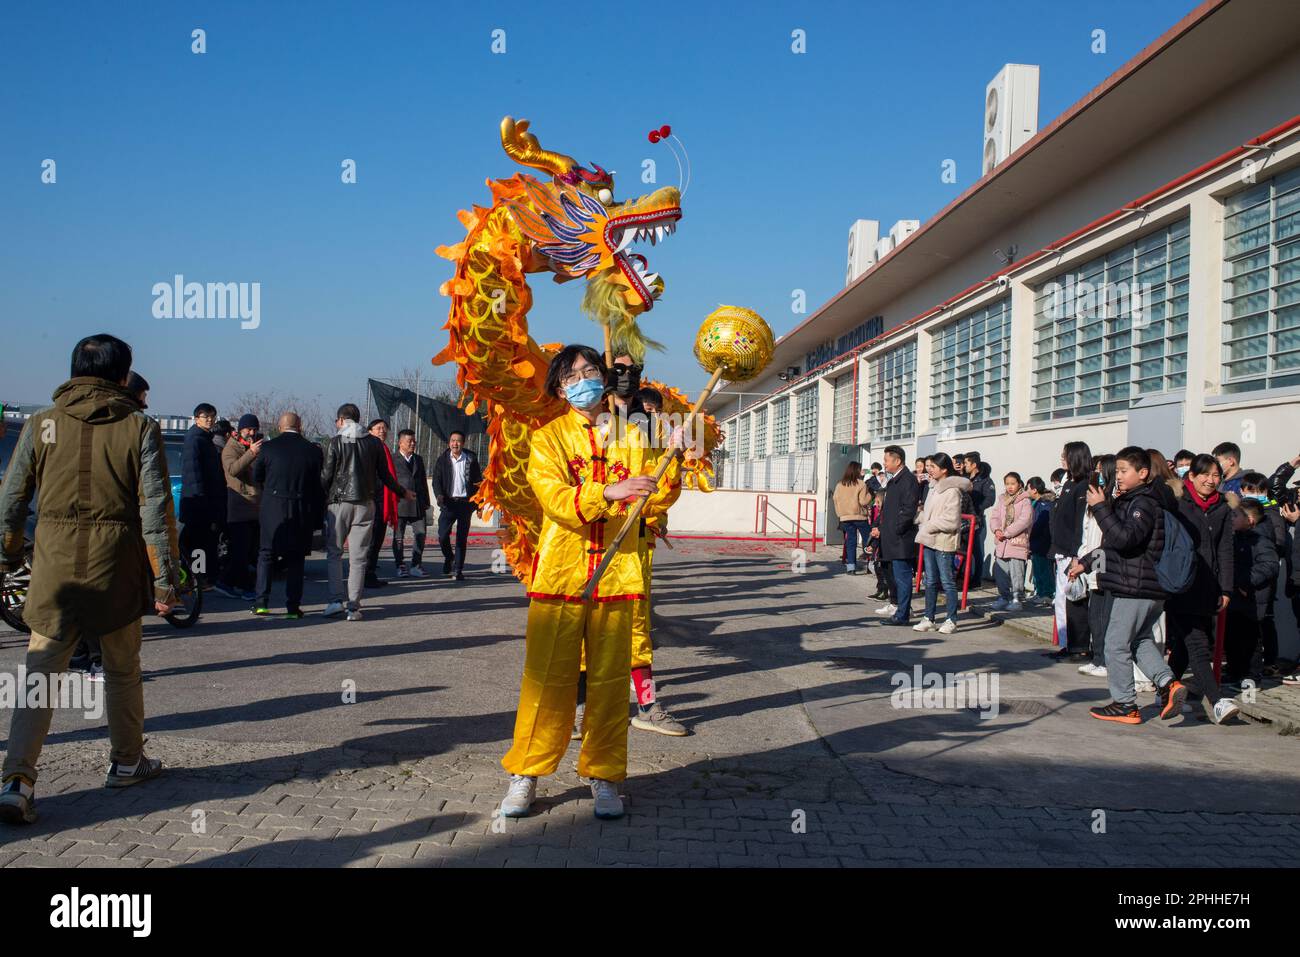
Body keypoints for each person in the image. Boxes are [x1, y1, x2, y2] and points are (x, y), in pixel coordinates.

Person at [0, 334, 180, 825]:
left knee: (40, 673)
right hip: (115, 568)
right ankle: (126, 761)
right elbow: (156, 510)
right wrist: (167, 577)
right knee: (122, 669)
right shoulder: (140, 426)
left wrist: (9, 555)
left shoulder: (41, 424)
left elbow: (11, 501)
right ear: (122, 376)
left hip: (54, 570)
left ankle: (17, 779)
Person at [499, 345, 681, 820]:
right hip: (561, 576)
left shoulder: (633, 434)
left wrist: (670, 455)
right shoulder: (548, 438)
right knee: (546, 682)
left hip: (618, 575)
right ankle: (526, 775)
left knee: (607, 685)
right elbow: (554, 497)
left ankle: (605, 778)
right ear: (560, 388)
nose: (585, 379)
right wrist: (608, 491)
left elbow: (657, 500)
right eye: (574, 374)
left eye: (591, 371)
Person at [1072, 446, 1186, 725]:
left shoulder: (1144, 503)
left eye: (1124, 471)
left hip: (1136, 586)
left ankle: (1125, 704)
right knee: (1139, 640)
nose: (1118, 477)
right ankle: (1169, 684)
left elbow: (1125, 540)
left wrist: (1100, 508)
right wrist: (1086, 563)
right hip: (1143, 586)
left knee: (1115, 644)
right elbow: (1112, 545)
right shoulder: (1132, 500)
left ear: (1143, 473)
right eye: (1118, 471)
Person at [620, 383, 686, 737]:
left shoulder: (656, 446)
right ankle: (579, 707)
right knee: (583, 632)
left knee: (637, 630)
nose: (649, 414)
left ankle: (646, 705)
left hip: (638, 547)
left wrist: (672, 459)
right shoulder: (598, 437)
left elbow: (660, 499)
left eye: (654, 409)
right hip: (592, 549)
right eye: (643, 407)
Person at [321, 403, 414, 621]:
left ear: (342, 420)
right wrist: (403, 492)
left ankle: (335, 601)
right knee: (359, 557)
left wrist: (322, 497)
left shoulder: (335, 442)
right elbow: (385, 475)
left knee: (335, 553)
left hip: (339, 502)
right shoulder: (373, 444)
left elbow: (326, 475)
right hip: (365, 504)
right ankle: (354, 607)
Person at [1165, 453, 1239, 723]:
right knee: (1197, 644)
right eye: (1205, 474)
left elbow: (1225, 550)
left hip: (1209, 586)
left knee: (1187, 645)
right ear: (1191, 477)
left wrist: (1227, 589)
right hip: (1181, 584)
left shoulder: (1221, 507)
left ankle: (1168, 688)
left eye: (1216, 475)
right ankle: (1217, 702)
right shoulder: (1177, 503)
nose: (1211, 480)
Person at [252, 413, 324, 619]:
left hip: (272, 507)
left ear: (280, 426)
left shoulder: (268, 447)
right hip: (301, 507)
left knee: (266, 554)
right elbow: (317, 484)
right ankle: (293, 606)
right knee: (296, 559)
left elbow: (257, 476)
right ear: (300, 426)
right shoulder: (312, 450)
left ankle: (261, 602)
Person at [912, 452, 969, 634]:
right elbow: (929, 512)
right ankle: (929, 617)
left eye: (933, 467)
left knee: (947, 581)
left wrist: (928, 526)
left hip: (944, 541)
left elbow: (951, 520)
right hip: (930, 539)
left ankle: (951, 619)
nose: (929, 469)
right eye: (928, 466)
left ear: (944, 469)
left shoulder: (952, 490)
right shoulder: (933, 487)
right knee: (930, 581)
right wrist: (919, 519)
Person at [1225, 499, 1279, 689]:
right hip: (1235, 598)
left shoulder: (1260, 540)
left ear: (1249, 520)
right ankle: (1234, 671)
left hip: (1251, 598)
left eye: (1236, 515)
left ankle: (1251, 676)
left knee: (1250, 639)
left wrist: (1246, 581)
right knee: (1231, 636)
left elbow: (1270, 566)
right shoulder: (1235, 538)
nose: (1232, 519)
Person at [1238, 470, 1286, 676]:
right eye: (1250, 490)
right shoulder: (1238, 515)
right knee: (1245, 627)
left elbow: (1278, 546)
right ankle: (1241, 667)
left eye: (1259, 491)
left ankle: (1268, 662)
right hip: (1244, 582)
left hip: (1261, 581)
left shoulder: (1270, 515)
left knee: (1264, 621)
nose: (1254, 494)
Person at [1049, 442, 1092, 659]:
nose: (1062, 459)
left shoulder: (1083, 486)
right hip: (1060, 550)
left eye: (1065, 455)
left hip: (1071, 553)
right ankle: (1066, 644)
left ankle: (1078, 646)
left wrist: (1076, 554)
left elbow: (1080, 524)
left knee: (1073, 599)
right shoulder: (1068, 484)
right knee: (1060, 600)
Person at [216, 413, 263, 601]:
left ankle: (225, 582)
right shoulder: (231, 448)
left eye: (254, 429)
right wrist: (251, 453)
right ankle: (245, 587)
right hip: (239, 505)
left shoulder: (256, 445)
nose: (251, 433)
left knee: (248, 551)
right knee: (240, 551)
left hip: (255, 506)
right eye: (248, 429)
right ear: (240, 430)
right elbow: (233, 470)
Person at [870, 445, 919, 624]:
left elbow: (907, 511)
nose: (884, 463)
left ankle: (903, 614)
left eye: (886, 460)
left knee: (903, 578)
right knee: (895, 577)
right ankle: (899, 610)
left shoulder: (908, 480)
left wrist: (896, 530)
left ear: (897, 461)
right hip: (890, 537)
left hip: (901, 539)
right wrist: (881, 528)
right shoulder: (894, 480)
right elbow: (887, 511)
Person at [1076, 455, 1116, 677]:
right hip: (1091, 559)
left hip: (1103, 561)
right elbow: (1086, 532)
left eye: (1102, 471)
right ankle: (1097, 656)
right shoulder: (1092, 501)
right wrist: (1082, 557)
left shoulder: (1111, 502)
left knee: (1104, 616)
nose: (1098, 474)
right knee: (1094, 614)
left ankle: (1105, 660)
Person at [180, 402, 226, 587]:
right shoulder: (195, 439)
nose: (209, 420)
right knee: (197, 543)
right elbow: (193, 472)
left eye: (212, 416)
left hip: (206, 501)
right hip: (199, 502)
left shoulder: (204, 437)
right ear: (196, 418)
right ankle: (197, 578)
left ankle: (200, 577)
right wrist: (200, 499)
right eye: (205, 416)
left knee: (202, 542)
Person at [433, 430, 482, 581]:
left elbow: (478, 482)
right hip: (449, 503)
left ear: (463, 443)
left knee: (461, 538)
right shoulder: (442, 459)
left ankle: (458, 569)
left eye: (458, 441)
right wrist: (440, 496)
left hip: (465, 504)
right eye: (453, 440)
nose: (455, 443)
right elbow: (436, 481)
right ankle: (449, 557)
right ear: (449, 443)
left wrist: (480, 504)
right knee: (442, 535)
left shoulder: (471, 458)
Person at [363, 419, 399, 588]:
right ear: (370, 431)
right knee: (372, 539)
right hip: (374, 500)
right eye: (378, 428)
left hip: (382, 499)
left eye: (385, 428)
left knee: (377, 539)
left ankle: (370, 572)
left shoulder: (383, 448)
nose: (382, 431)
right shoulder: (370, 448)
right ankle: (366, 574)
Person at [989, 471, 1032, 611]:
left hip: (1017, 543)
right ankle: (1004, 597)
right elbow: (994, 517)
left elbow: (1024, 521)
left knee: (1016, 573)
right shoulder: (1002, 499)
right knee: (1001, 573)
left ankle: (1016, 598)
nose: (1010, 487)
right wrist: (997, 530)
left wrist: (1007, 533)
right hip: (1001, 542)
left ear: (1019, 484)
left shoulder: (1025, 501)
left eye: (1013, 483)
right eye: (1007, 484)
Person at [391, 429, 430, 578]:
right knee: (398, 536)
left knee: (421, 533)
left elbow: (423, 481)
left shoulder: (418, 459)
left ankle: (416, 564)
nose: (413, 443)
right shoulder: (393, 459)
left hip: (418, 503)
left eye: (414, 441)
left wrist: (426, 501)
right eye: (409, 441)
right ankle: (400, 564)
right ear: (400, 443)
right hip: (400, 503)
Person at [834, 462, 873, 575]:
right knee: (868, 540)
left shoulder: (840, 484)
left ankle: (851, 567)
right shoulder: (861, 484)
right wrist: (870, 494)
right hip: (859, 516)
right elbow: (863, 501)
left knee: (851, 542)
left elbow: (835, 500)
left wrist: (840, 514)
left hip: (845, 517)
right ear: (857, 470)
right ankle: (869, 564)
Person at [963, 452, 995, 587]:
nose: (964, 466)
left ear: (974, 464)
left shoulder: (985, 480)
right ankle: (963, 576)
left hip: (976, 520)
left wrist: (976, 508)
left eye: (966, 463)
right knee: (963, 550)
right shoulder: (964, 479)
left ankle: (976, 580)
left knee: (976, 550)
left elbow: (990, 499)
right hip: (962, 520)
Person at [1025, 477, 1056, 607]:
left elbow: (1038, 524)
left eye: (1028, 488)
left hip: (1042, 543)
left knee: (1043, 569)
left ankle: (1046, 594)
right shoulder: (1035, 502)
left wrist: (1029, 535)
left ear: (1034, 489)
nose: (1026, 491)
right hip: (1035, 542)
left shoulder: (1044, 504)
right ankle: (1040, 592)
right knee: (1037, 569)